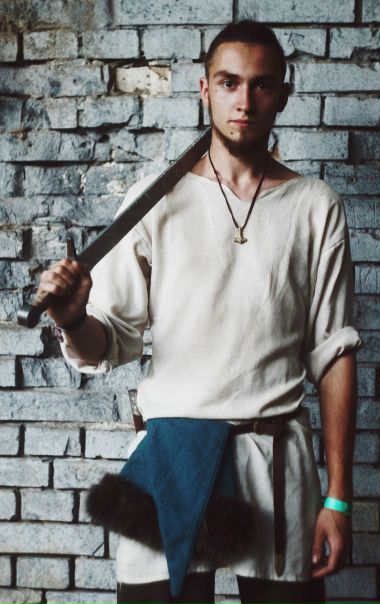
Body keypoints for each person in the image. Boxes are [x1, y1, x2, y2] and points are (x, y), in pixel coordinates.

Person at [37, 20, 362, 604]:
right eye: (229, 82)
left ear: (284, 95)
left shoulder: (315, 206)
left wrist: (338, 497)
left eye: (262, 85)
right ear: (204, 88)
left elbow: (335, 353)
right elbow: (108, 345)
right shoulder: (154, 201)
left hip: (273, 459)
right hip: (171, 456)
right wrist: (71, 319)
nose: (245, 101)